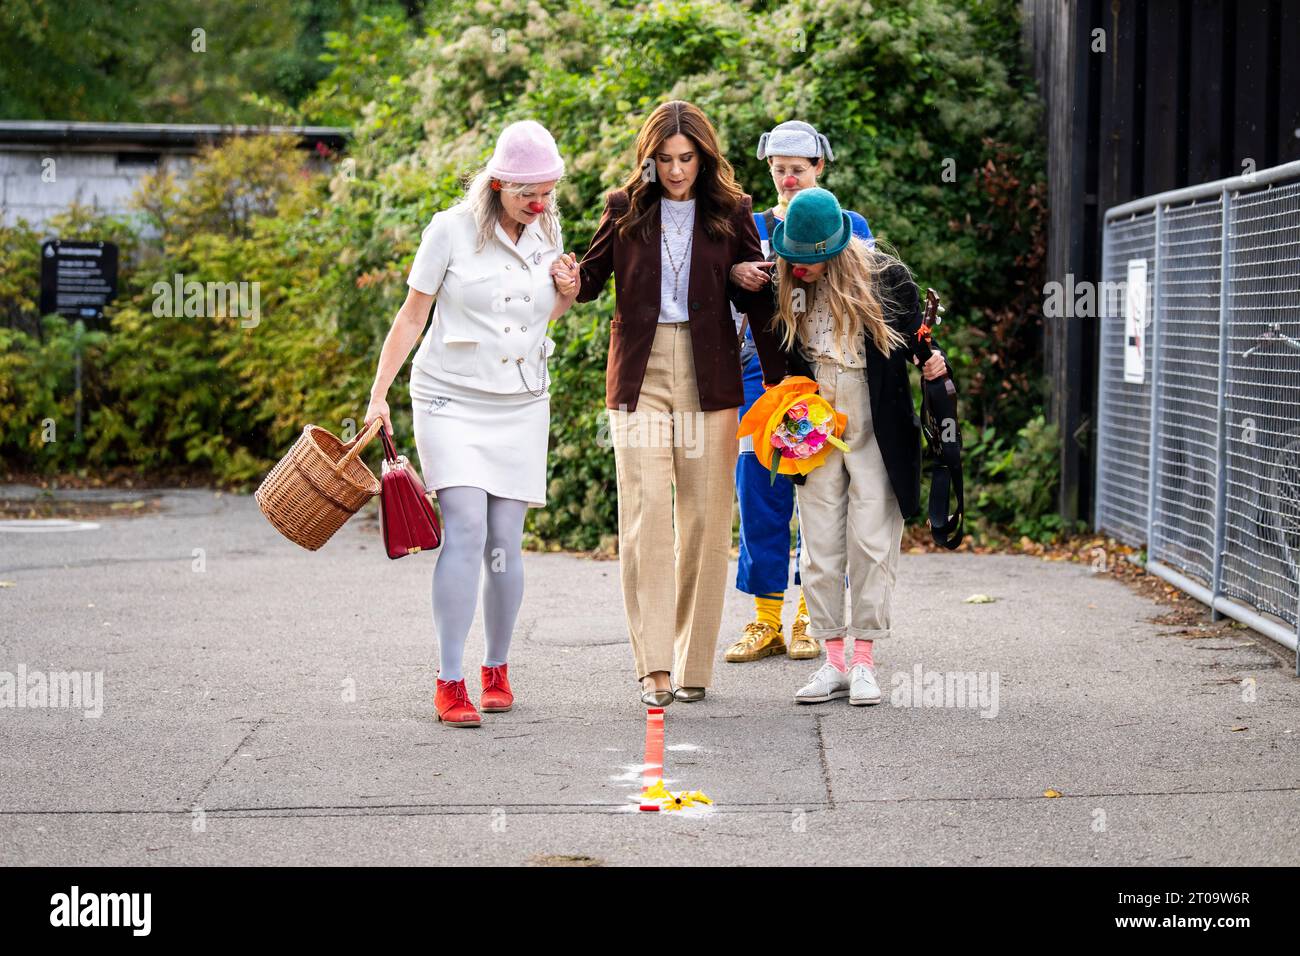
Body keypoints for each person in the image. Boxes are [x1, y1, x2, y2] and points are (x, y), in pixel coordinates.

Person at [363, 120, 580, 728]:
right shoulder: (449, 230)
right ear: (497, 183)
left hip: (519, 402)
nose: (539, 205)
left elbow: (541, 319)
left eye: (547, 192)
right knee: (463, 528)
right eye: (526, 194)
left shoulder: (548, 230)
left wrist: (566, 292)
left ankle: (497, 668)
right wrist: (378, 395)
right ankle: (449, 678)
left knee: (504, 542)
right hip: (448, 399)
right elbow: (411, 319)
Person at [572, 100, 788, 707]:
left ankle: (693, 665)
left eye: (686, 158)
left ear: (704, 157)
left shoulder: (732, 209)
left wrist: (750, 286)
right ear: (648, 160)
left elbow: (759, 289)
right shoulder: (623, 208)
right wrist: (564, 277)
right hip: (641, 375)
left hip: (709, 371)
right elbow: (589, 280)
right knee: (643, 512)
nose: (675, 171)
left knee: (704, 518)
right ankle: (654, 665)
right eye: (663, 159)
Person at [766, 187, 949, 706]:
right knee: (819, 546)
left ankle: (864, 660)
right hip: (814, 418)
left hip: (875, 420)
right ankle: (833, 660)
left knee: (872, 541)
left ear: (835, 250)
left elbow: (920, 341)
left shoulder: (886, 279)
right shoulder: (787, 282)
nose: (800, 268)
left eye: (810, 260)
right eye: (793, 259)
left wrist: (934, 362)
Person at [726, 120, 875, 665]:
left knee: (821, 494)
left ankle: (815, 616)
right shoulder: (747, 225)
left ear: (820, 169)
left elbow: (865, 299)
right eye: (779, 170)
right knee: (761, 493)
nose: (788, 179)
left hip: (828, 377)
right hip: (761, 376)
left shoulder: (850, 223)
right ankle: (766, 619)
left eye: (799, 169)